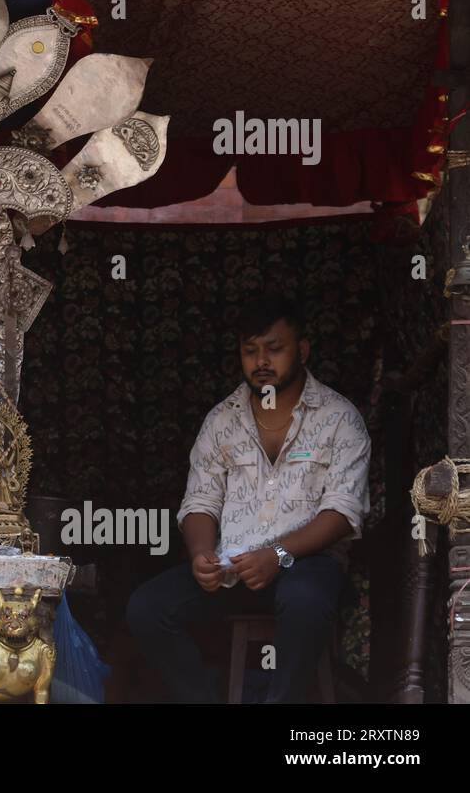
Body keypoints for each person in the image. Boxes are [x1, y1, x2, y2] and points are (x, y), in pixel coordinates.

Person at [126, 295, 371, 703]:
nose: (261, 361)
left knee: (305, 601)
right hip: (234, 566)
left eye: (275, 349)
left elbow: (343, 512)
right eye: (250, 350)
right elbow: (200, 501)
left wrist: (277, 554)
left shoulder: (339, 418)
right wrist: (202, 554)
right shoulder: (222, 419)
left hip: (305, 564)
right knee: (147, 609)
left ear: (302, 350)